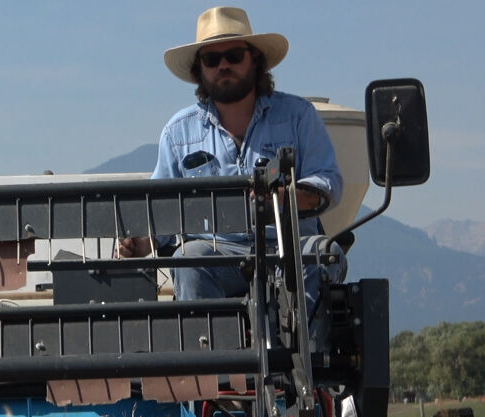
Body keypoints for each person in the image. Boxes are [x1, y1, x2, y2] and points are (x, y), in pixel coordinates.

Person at [118, 6, 346, 315]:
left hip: (288, 245)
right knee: (190, 259)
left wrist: (283, 197)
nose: (223, 65)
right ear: (200, 69)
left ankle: (306, 361)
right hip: (216, 253)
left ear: (254, 60)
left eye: (234, 55)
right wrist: (143, 242)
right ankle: (209, 361)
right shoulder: (178, 132)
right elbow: (161, 208)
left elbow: (328, 182)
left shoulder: (298, 116)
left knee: (318, 256)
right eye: (212, 60)